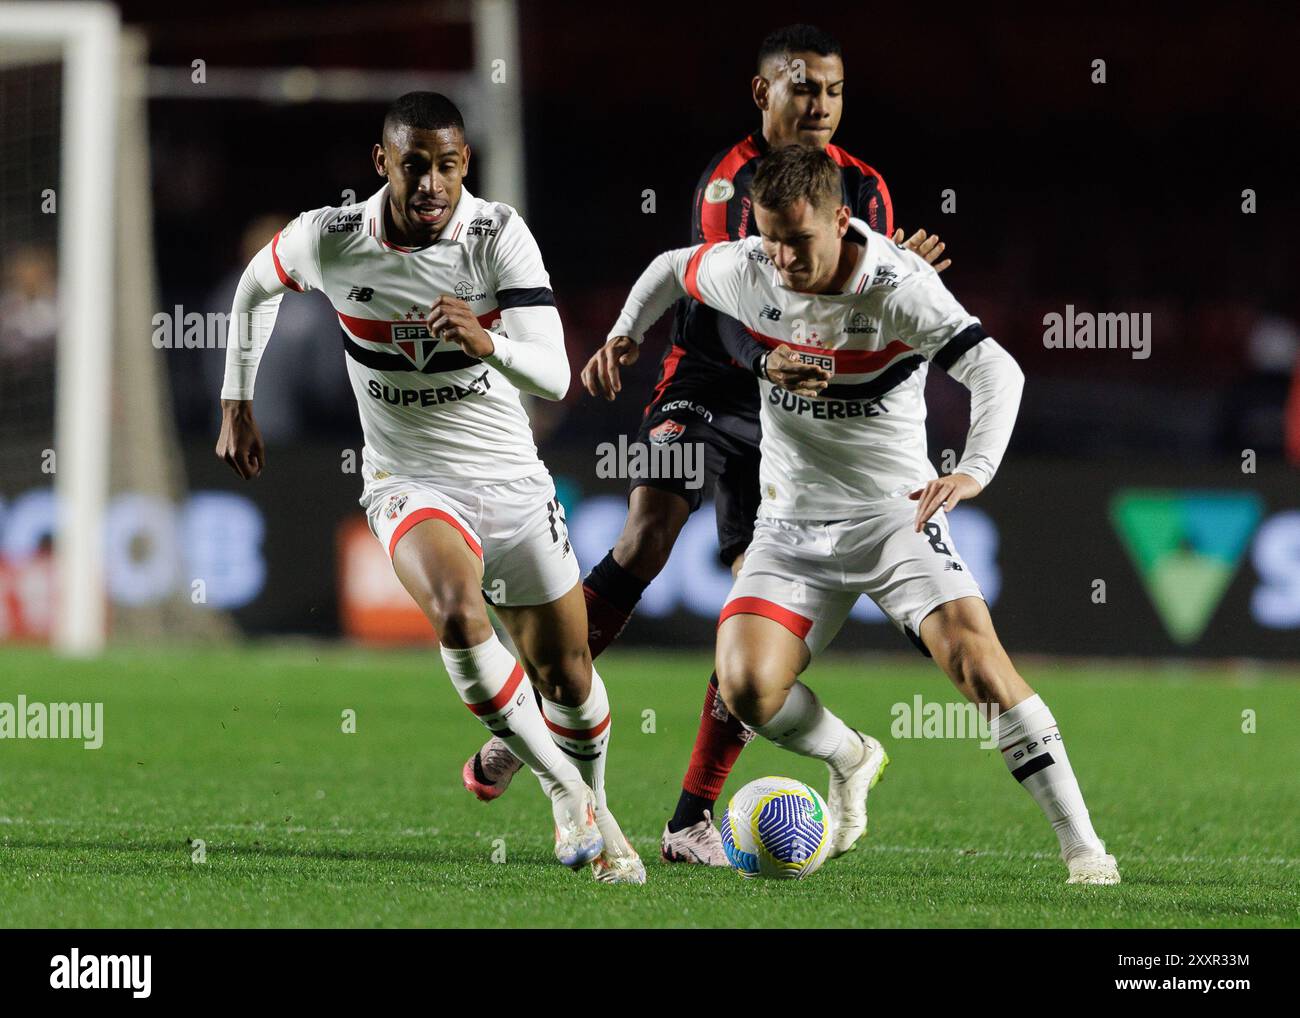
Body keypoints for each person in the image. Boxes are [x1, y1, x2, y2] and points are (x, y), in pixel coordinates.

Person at [464, 24, 948, 867]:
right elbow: (719, 308)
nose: (820, 105)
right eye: (803, 88)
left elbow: (868, 301)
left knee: (748, 607)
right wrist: (638, 337)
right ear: (763, 96)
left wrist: (903, 278)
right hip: (707, 382)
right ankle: (540, 720)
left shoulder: (864, 189)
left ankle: (690, 818)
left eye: (833, 90)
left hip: (794, 421)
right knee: (646, 533)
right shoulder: (730, 185)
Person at [605, 142, 1120, 884]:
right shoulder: (749, 266)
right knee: (745, 685)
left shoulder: (898, 287)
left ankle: (1083, 848)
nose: (782, 258)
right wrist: (626, 331)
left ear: (842, 220)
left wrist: (974, 469)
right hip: (788, 529)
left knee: (977, 663)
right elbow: (667, 268)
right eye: (770, 238)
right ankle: (852, 756)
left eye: (799, 240)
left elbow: (995, 369)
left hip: (892, 519)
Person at [215, 91, 643, 884]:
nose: (432, 183)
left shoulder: (498, 236)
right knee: (455, 611)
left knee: (569, 678)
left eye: (447, 165)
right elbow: (253, 286)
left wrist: (488, 340)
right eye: (415, 164)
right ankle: (567, 791)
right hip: (409, 481)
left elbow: (552, 373)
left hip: (514, 479)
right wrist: (236, 399)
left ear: (464, 165)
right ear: (384, 163)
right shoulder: (334, 238)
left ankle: (585, 795)